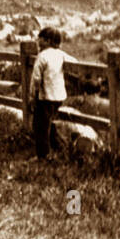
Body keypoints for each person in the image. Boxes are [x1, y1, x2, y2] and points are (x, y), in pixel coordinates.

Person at [29, 26, 71, 159]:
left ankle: (43, 155)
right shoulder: (61, 54)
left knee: (39, 126)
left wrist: (33, 96)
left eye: (40, 39)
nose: (38, 41)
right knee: (49, 123)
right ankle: (59, 147)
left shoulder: (42, 56)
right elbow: (74, 62)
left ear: (47, 41)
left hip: (45, 97)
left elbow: (36, 79)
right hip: (58, 96)